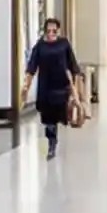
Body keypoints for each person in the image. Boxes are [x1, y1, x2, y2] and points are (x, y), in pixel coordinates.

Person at [21, 17, 83, 159]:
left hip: (61, 87)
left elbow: (73, 66)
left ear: (58, 31)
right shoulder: (40, 46)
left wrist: (77, 89)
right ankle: (52, 143)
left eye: (54, 31)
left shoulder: (64, 44)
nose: (51, 33)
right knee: (49, 119)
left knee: (58, 115)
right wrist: (25, 86)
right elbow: (31, 68)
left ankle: (54, 138)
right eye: (48, 31)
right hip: (45, 88)